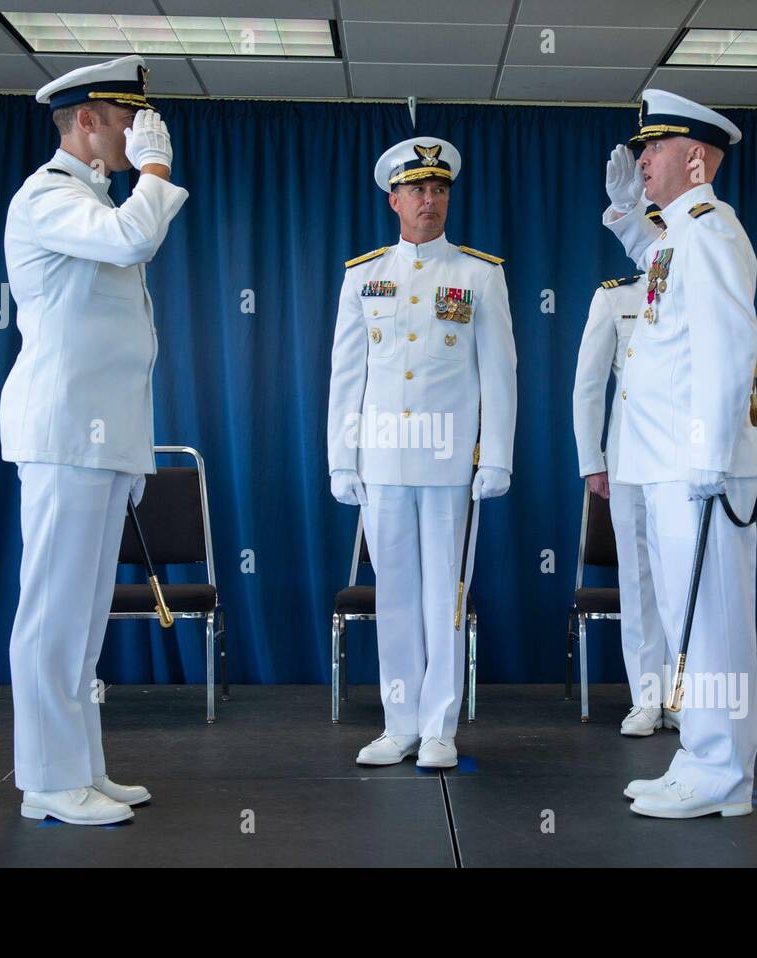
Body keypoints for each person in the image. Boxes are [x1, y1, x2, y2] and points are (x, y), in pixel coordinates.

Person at [0, 55, 187, 824]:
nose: (135, 132)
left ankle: (80, 768)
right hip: (64, 434)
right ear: (87, 121)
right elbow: (130, 243)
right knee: (51, 612)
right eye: (124, 119)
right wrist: (155, 167)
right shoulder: (48, 197)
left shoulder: (91, 199)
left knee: (81, 620)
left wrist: (134, 453)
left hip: (101, 440)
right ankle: (45, 781)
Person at [326, 137, 517, 770]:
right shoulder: (364, 275)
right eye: (416, 190)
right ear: (394, 199)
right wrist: (341, 458)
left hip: (447, 462)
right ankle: (399, 722)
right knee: (396, 596)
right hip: (382, 461)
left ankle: (439, 727)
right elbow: (346, 374)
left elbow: (500, 374)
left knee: (444, 598)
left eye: (438, 190)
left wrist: (497, 457)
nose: (428, 200)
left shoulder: (478, 275)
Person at [604, 90, 757, 819]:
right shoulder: (678, 235)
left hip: (699, 469)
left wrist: (707, 455)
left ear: (694, 159)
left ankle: (726, 774)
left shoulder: (712, 229)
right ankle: (701, 754)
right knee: (685, 619)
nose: (642, 159)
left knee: (715, 627)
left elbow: (730, 347)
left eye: (654, 148)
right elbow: (655, 263)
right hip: (667, 465)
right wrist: (627, 215)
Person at [572, 271, 677, 736]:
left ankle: (684, 696)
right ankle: (646, 698)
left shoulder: (702, 285)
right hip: (630, 457)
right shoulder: (616, 297)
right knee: (637, 578)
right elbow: (589, 385)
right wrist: (592, 460)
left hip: (686, 461)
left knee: (684, 580)